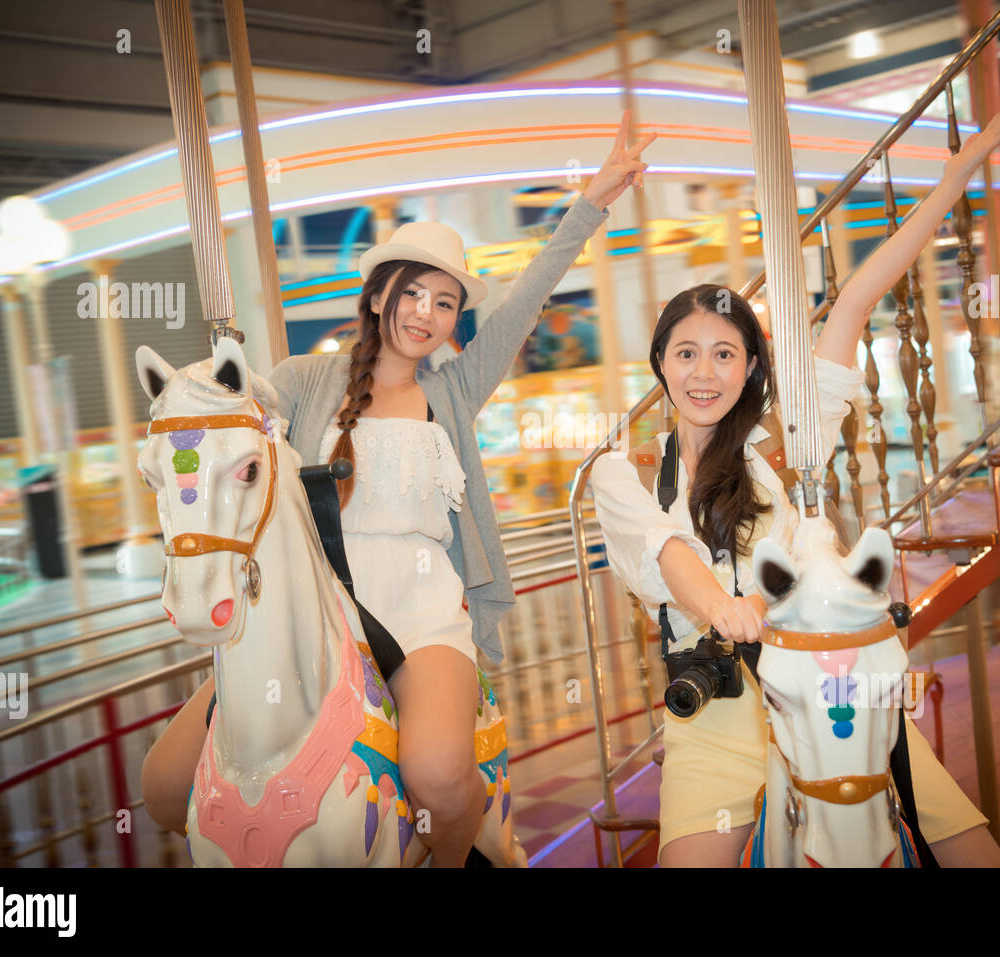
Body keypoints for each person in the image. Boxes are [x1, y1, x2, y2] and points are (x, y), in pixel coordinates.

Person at [142, 112, 655, 866]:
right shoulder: (304, 380)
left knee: (439, 776)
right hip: (316, 605)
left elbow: (524, 303)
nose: (426, 313)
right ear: (380, 293)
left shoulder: (453, 390)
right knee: (163, 785)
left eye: (445, 302)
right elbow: (234, 425)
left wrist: (593, 201)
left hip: (419, 616)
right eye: (413, 292)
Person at [589, 93, 1000, 867]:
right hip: (719, 716)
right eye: (686, 353)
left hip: (827, 699)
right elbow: (665, 553)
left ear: (750, 367)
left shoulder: (782, 444)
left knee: (973, 852)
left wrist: (956, 175)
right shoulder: (622, 470)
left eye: (724, 353)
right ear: (660, 363)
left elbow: (856, 298)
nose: (703, 372)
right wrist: (725, 609)